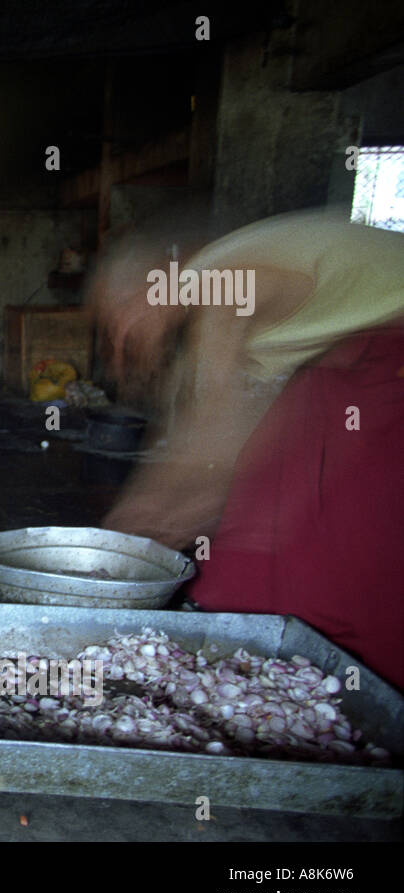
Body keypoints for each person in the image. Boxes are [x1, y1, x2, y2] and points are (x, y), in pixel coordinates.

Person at [91, 210, 404, 688]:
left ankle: (358, 676)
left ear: (152, 282)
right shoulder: (231, 272)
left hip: (387, 362)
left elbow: (218, 428)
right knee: (259, 518)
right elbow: (211, 421)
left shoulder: (220, 284)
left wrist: (128, 537)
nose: (121, 338)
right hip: (349, 364)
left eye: (120, 316)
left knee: (328, 537)